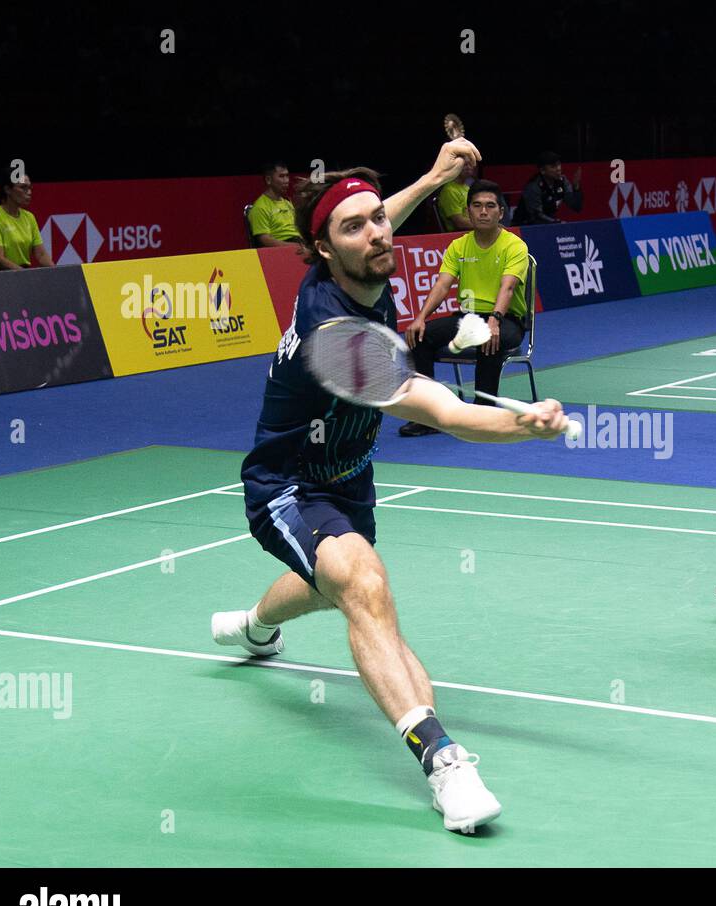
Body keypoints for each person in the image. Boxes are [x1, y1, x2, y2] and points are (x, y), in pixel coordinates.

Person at [212, 141, 573, 835]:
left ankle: (255, 627)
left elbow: (372, 217)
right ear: (322, 251)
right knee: (367, 587)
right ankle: (444, 762)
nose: (379, 232)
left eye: (380, 220)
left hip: (350, 478)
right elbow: (436, 405)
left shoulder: (356, 258)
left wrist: (435, 178)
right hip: (288, 484)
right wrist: (520, 424)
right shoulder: (336, 334)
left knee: (333, 587)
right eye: (356, 228)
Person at [399, 180, 529, 437]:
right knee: (419, 337)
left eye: (490, 206)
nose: (483, 212)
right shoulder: (459, 246)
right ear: (468, 211)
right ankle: (427, 414)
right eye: (477, 206)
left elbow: (508, 288)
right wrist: (420, 318)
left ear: (500, 212)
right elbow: (442, 286)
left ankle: (483, 414)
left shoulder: (514, 245)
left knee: (489, 337)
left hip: (508, 319)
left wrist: (494, 320)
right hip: (468, 317)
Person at [0, 172, 54, 270]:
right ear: (7, 189)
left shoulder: (29, 217)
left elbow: (41, 255)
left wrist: (55, 272)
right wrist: (25, 276)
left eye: (29, 188)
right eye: (23, 187)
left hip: (22, 273)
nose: (29, 192)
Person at [512, 151, 583, 225]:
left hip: (548, 225)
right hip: (524, 228)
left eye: (559, 164)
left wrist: (576, 187)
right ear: (543, 171)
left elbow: (576, 206)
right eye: (553, 166)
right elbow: (537, 216)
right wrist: (556, 223)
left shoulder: (562, 181)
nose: (558, 169)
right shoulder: (534, 187)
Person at [248, 162, 302, 247]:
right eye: (281, 176)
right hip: (282, 249)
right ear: (268, 180)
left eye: (287, 176)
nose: (286, 181)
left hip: (299, 243)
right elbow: (265, 240)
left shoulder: (287, 203)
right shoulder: (260, 207)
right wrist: (293, 247)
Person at [435, 155, 476, 231]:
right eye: (465, 165)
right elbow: (459, 223)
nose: (469, 167)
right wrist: (486, 226)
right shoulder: (450, 191)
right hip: (459, 235)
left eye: (470, 164)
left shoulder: (468, 188)